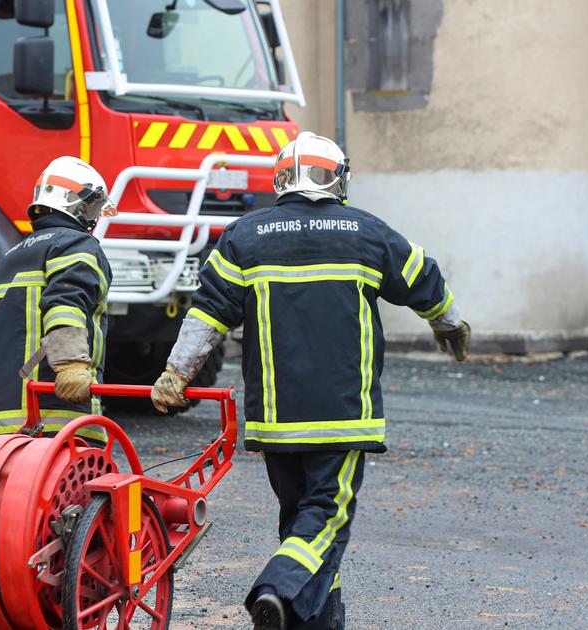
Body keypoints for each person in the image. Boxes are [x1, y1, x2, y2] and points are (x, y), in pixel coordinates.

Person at [150, 132, 470, 629]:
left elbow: (208, 313)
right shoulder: (366, 233)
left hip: (276, 421)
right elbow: (423, 277)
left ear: (281, 180)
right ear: (338, 179)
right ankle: (276, 587)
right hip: (344, 414)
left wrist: (176, 373)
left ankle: (315, 620)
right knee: (326, 517)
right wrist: (448, 323)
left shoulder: (243, 237)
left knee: (299, 520)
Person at [0, 156, 116, 444]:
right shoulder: (76, 245)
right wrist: (70, 365)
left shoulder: (4, 262)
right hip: (58, 422)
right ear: (75, 204)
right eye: (93, 207)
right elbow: (66, 304)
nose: (94, 216)